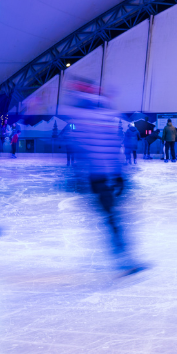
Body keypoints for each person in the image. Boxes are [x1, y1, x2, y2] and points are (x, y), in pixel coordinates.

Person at [66, 83, 145, 276]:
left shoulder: (80, 119)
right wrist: (120, 175)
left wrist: (74, 176)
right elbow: (111, 148)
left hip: (95, 176)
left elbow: (77, 145)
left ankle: (123, 256)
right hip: (106, 175)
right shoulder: (107, 119)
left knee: (111, 216)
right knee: (112, 217)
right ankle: (125, 259)